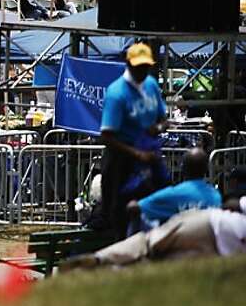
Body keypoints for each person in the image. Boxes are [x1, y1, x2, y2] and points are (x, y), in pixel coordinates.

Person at [100, 43, 169, 239]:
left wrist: (158, 128)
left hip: (149, 156)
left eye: (146, 67)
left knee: (153, 205)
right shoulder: (117, 93)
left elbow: (163, 118)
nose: (142, 71)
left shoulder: (151, 84)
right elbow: (106, 135)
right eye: (138, 66)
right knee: (119, 213)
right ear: (128, 64)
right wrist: (137, 153)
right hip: (122, 161)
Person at [66, 195, 246, 269]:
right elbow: (235, 205)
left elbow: (233, 204)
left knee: (153, 252)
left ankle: (101, 261)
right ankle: (100, 262)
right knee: (152, 251)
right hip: (212, 228)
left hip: (215, 235)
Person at [129, 148, 221, 231]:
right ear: (206, 170)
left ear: (183, 169)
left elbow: (136, 207)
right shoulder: (216, 195)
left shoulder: (174, 194)